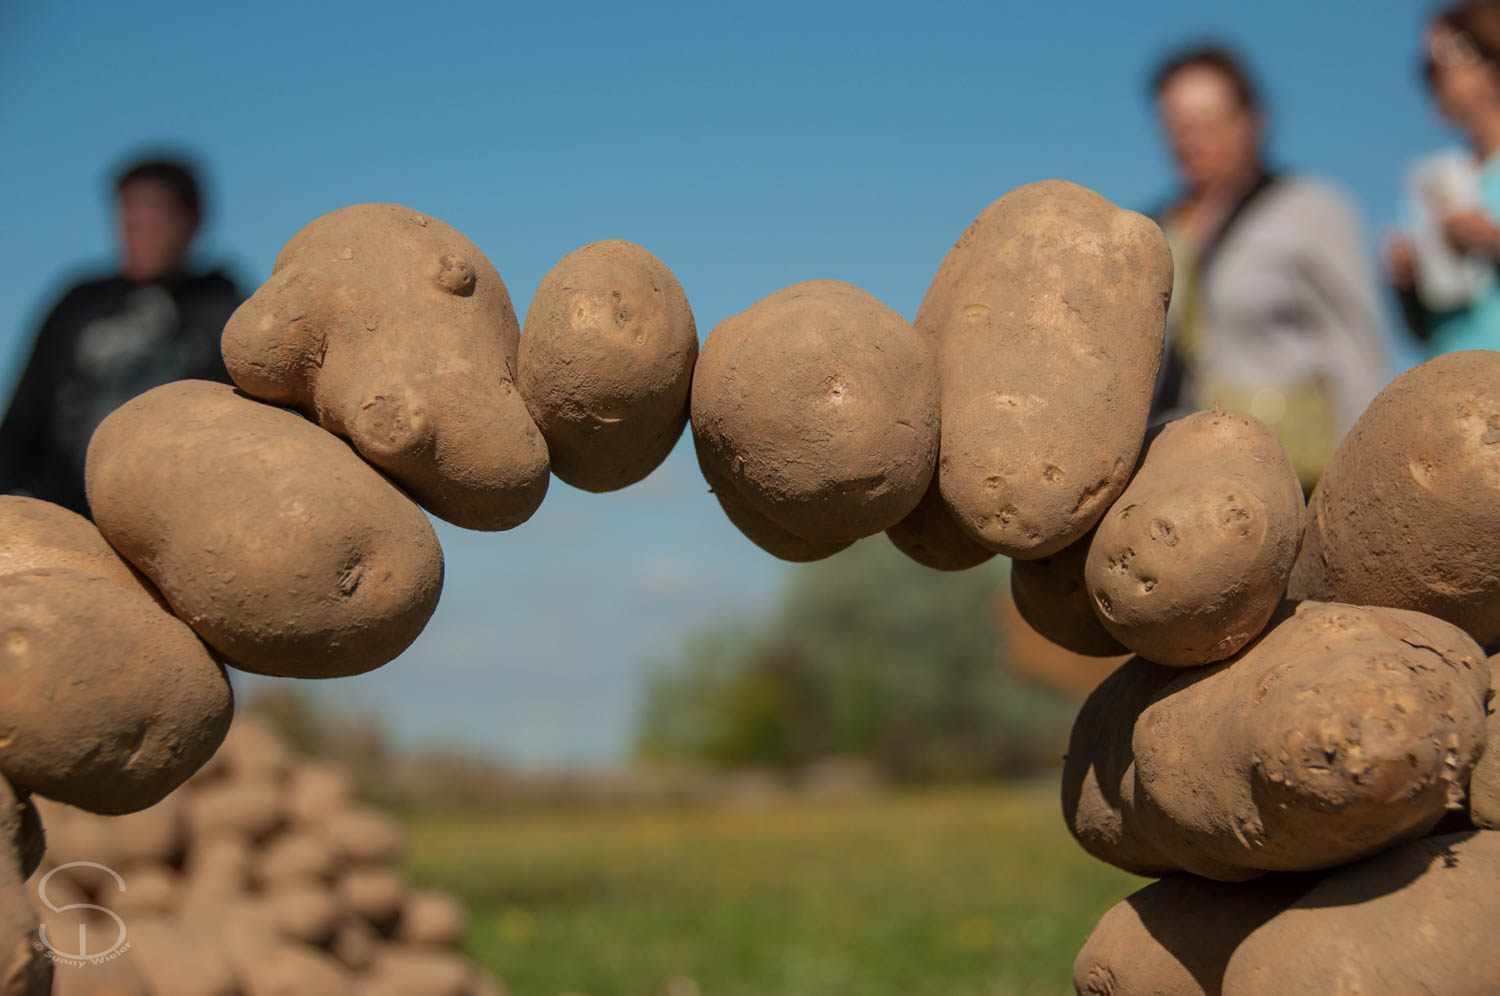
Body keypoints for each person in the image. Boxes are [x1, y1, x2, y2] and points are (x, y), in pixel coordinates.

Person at [1148, 45, 1387, 491]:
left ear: (1252, 119)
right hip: (1188, 475)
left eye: (1208, 123)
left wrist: (1367, 472)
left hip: (1294, 471)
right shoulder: (1154, 229)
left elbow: (1356, 345)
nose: (1193, 140)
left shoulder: (1314, 210)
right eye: (1178, 127)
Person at [0, 156, 242, 514]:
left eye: (154, 213)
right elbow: (25, 413)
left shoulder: (221, 305)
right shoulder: (79, 303)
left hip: (177, 512)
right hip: (69, 514)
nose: (137, 226)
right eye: (129, 212)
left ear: (193, 220)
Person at [1386, 1, 1500, 355]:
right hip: (1453, 394)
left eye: (1440, 60)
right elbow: (1425, 332)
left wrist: (1491, 242)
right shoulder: (1435, 186)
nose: (1429, 78)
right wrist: (1407, 286)